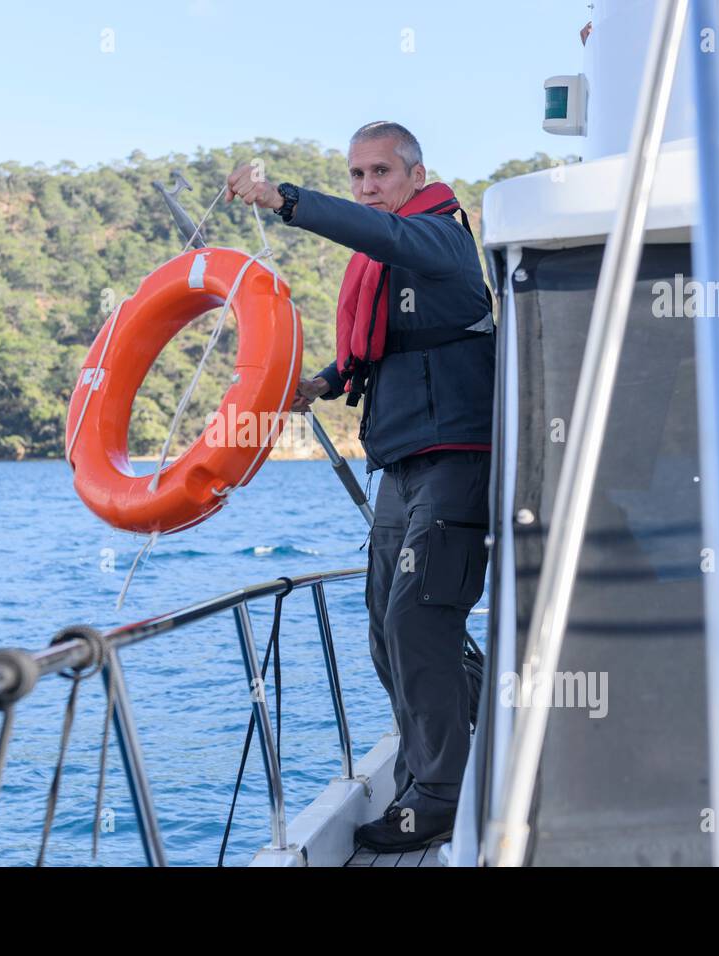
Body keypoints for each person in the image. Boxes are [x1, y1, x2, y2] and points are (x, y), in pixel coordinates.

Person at [225, 121, 495, 852]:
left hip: (455, 461)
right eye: (357, 176)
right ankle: (488, 724)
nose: (368, 186)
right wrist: (323, 381)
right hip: (399, 465)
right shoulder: (395, 253)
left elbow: (386, 241)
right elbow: (379, 351)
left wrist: (286, 199)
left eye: (380, 172)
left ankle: (439, 795)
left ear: (416, 174)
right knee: (386, 626)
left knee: (418, 620)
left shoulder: (440, 239)